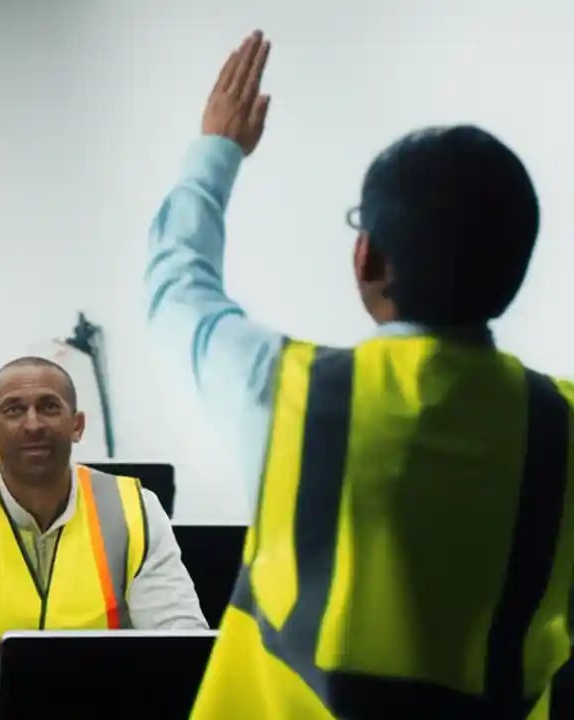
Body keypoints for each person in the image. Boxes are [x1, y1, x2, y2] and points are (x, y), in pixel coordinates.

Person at [147, 31, 574, 718]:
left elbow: (174, 287)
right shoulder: (564, 425)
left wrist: (216, 151)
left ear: (366, 258)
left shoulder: (284, 389)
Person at [0, 357, 207, 720]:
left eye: (49, 407)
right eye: (14, 410)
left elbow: (179, 637)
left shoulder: (135, 509)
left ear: (77, 425)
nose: (32, 424)